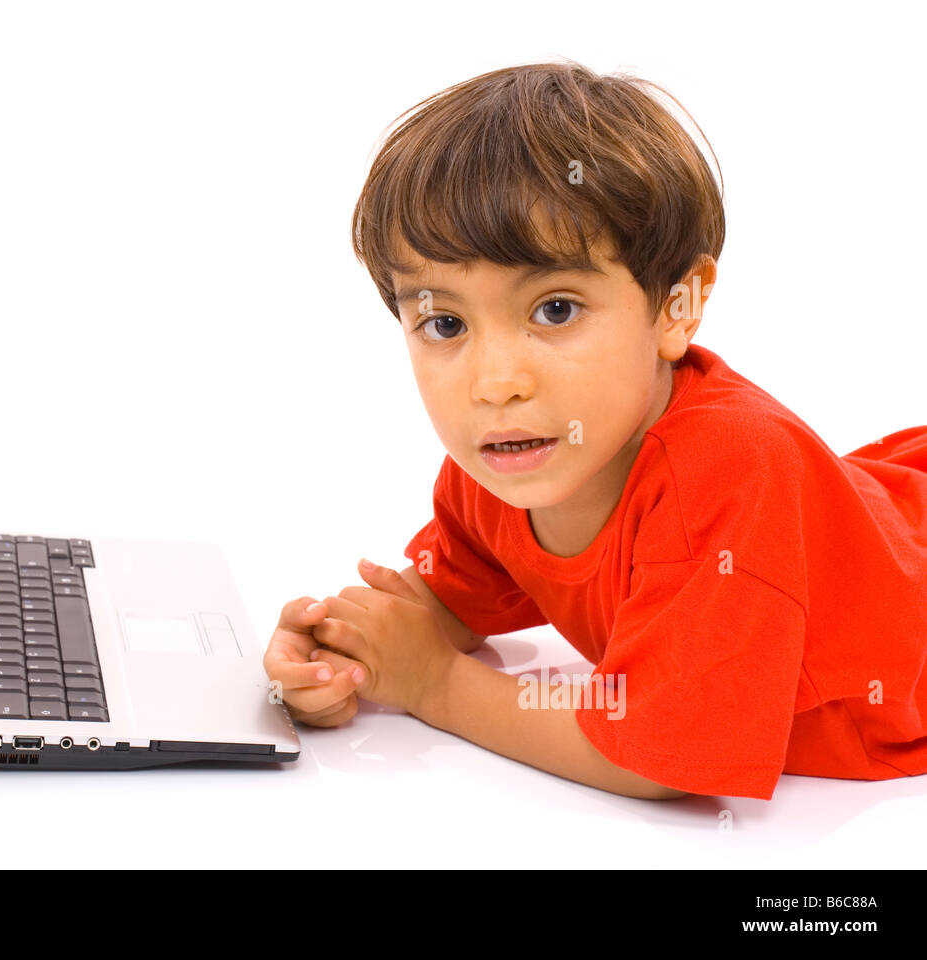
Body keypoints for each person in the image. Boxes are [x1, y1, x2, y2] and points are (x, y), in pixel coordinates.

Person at [263, 60, 927, 801]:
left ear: (677, 304)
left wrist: (435, 684)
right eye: (445, 323)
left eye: (555, 310)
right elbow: (451, 601)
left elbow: (655, 755)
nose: (495, 383)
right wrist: (340, 652)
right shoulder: (502, 464)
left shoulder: (731, 470)